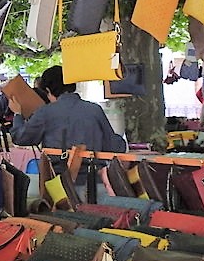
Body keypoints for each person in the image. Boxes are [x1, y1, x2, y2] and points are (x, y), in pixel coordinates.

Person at [10, 65, 126, 194]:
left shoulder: (46, 112)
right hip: (96, 185)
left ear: (48, 90)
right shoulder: (94, 109)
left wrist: (18, 114)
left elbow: (20, 137)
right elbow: (115, 146)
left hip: (60, 188)